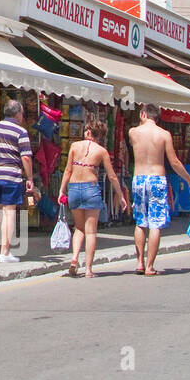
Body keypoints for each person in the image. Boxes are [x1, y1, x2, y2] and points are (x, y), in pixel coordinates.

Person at [127, 103, 190, 276]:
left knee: (140, 222)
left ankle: (139, 263)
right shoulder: (164, 134)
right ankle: (150, 266)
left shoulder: (133, 133)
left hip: (139, 179)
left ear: (143, 114)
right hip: (157, 179)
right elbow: (174, 162)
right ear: (157, 117)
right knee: (155, 223)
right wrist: (189, 179)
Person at [57, 119, 127, 278]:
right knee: (91, 232)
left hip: (74, 188)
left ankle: (74, 258)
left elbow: (68, 170)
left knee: (78, 228)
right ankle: (88, 269)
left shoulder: (74, 146)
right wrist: (121, 196)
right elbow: (112, 176)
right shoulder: (101, 151)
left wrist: (62, 190)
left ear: (89, 132)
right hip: (91, 189)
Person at [0, 99, 35, 263]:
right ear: (18, 114)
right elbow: (25, 157)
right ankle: (5, 252)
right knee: (9, 212)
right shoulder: (21, 132)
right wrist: (30, 178)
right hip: (11, 175)